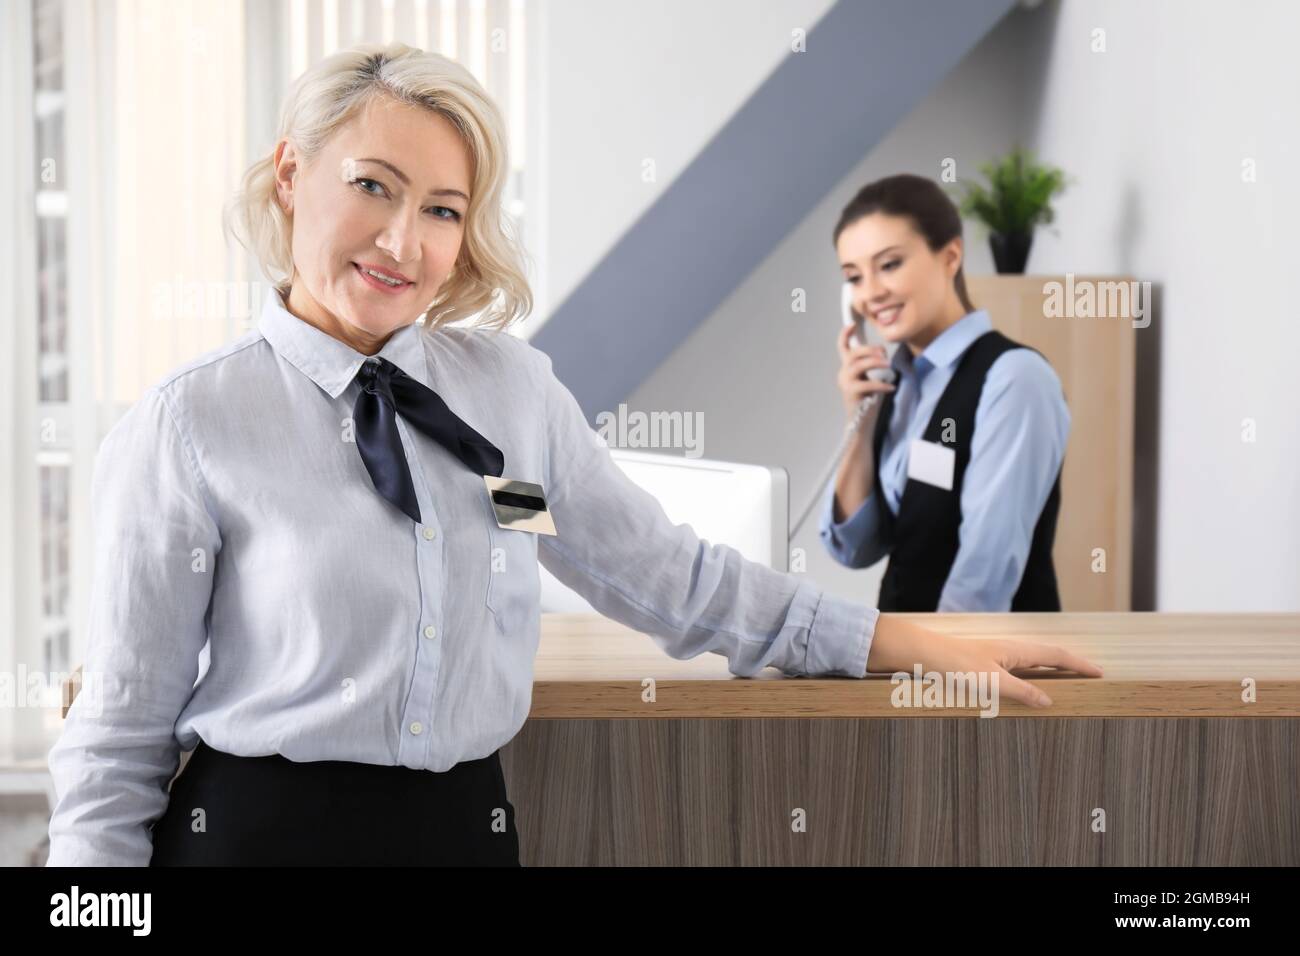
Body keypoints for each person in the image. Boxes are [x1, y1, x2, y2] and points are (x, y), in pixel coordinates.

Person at [46, 46, 1099, 868]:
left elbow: (662, 576)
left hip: (465, 835)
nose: (403, 241)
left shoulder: (503, 402)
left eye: (443, 209)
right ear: (291, 173)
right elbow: (116, 740)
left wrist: (912, 645)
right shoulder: (191, 425)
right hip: (254, 844)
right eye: (373, 185)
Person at [820, 174, 1071, 613]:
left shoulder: (1014, 378)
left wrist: (930, 677)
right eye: (854, 277)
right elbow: (854, 549)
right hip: (910, 663)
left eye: (890, 264)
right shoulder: (894, 386)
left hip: (981, 669)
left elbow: (983, 579)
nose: (870, 294)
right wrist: (858, 424)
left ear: (950, 256)